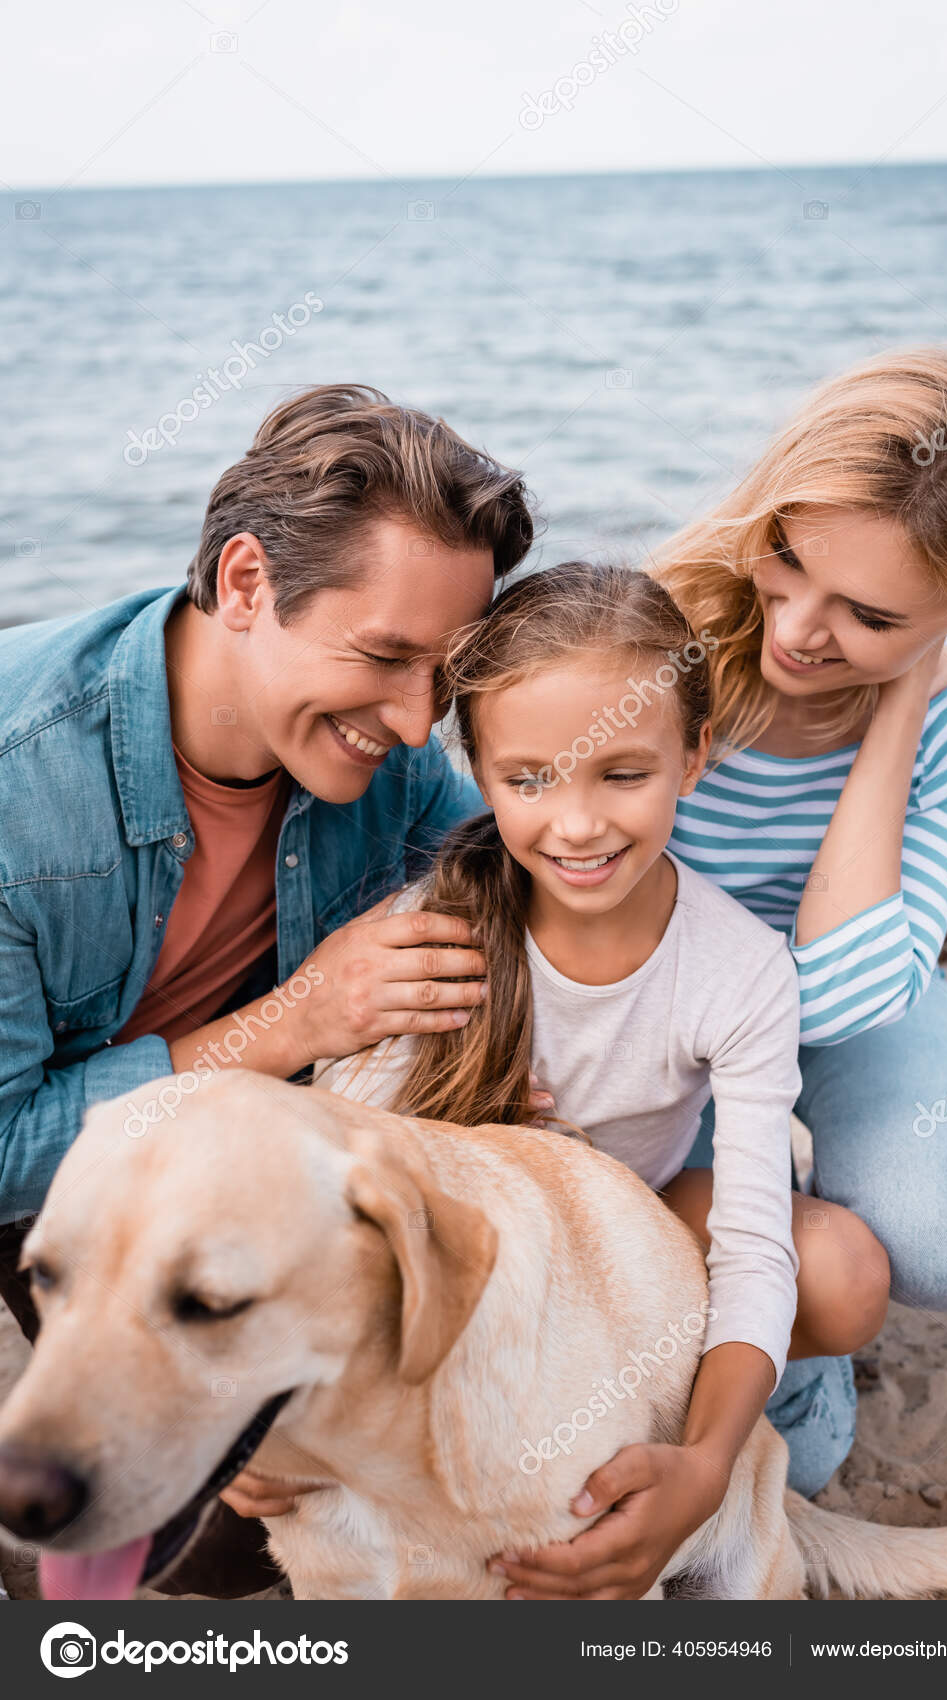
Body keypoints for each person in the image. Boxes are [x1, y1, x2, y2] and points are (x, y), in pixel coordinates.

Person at [224, 562, 890, 1601]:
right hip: (472, 1271)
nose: (576, 825)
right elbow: (320, 1200)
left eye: (622, 772)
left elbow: (755, 1246)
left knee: (836, 1269)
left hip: (633, 1257)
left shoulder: (744, 968)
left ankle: (759, 1419)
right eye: (530, 778)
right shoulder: (432, 933)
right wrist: (255, 1406)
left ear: (694, 755)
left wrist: (705, 1468)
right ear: (480, 771)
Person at [0, 381, 533, 1592]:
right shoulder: (18, 790)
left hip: (208, 1197)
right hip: (44, 1177)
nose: (413, 723)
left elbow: (549, 910)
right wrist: (302, 1017)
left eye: (445, 675)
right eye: (386, 657)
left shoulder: (384, 759)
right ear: (245, 583)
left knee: (269, 1522)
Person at [651, 346, 947, 1496]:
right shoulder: (657, 641)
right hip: (660, 1000)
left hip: (856, 986)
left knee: (934, 1245)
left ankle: (818, 1292)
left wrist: (899, 712)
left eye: (870, 612)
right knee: (810, 1456)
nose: (795, 629)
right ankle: (803, 1280)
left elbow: (839, 995)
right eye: (786, 558)